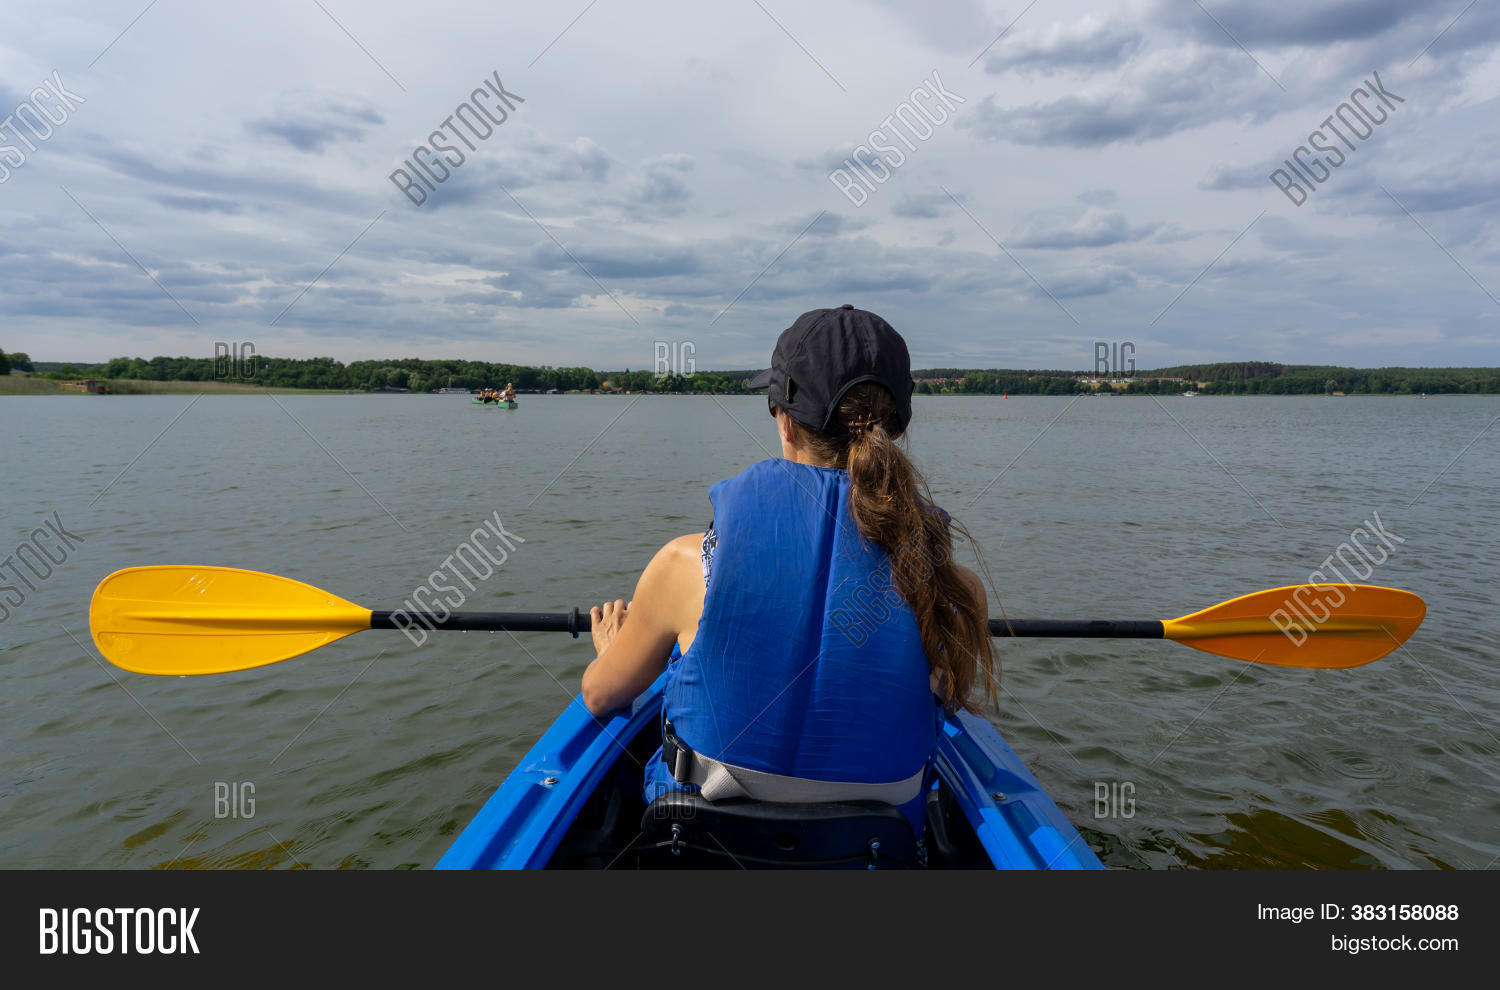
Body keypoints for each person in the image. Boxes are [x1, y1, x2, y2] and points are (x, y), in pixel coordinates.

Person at [580, 304, 995, 835]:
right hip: (868, 858)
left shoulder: (685, 565)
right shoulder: (954, 594)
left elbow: (598, 695)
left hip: (703, 854)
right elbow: (936, 702)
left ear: (784, 420)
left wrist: (616, 647)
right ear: (895, 426)